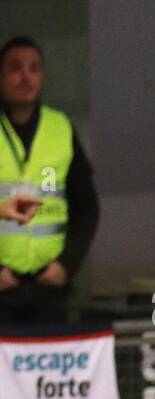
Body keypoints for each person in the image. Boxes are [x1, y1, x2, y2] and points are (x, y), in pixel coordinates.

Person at [0, 36, 99, 326]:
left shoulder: (61, 128)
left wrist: (66, 265)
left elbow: (87, 209)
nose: (25, 77)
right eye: (15, 68)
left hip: (50, 287)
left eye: (34, 68)